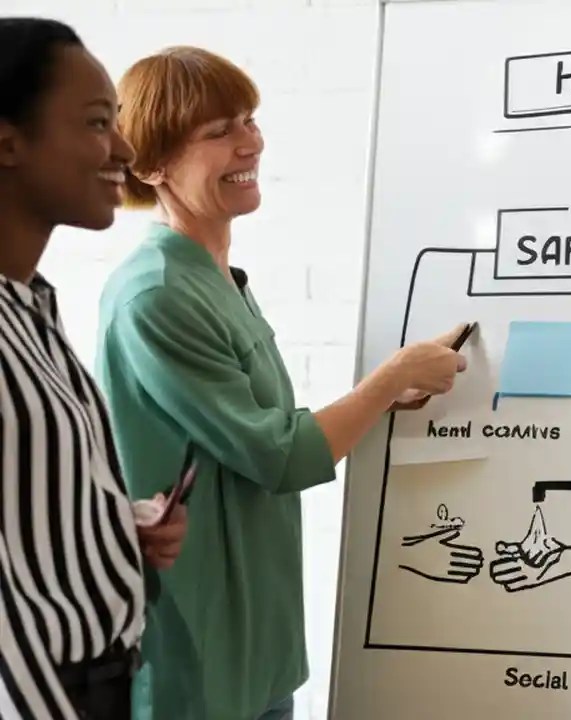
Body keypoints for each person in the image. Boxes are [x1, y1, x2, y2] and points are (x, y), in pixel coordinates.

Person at [96, 46, 467, 719]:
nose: (251, 142)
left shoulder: (215, 280)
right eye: (219, 131)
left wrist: (389, 393)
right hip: (196, 662)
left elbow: (257, 436)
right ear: (150, 166)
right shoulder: (157, 294)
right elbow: (280, 454)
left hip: (258, 650)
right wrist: (389, 379)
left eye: (249, 119)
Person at [0, 17, 187, 720]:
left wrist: (109, 530)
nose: (126, 150)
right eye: (97, 123)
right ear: (7, 142)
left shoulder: (31, 306)